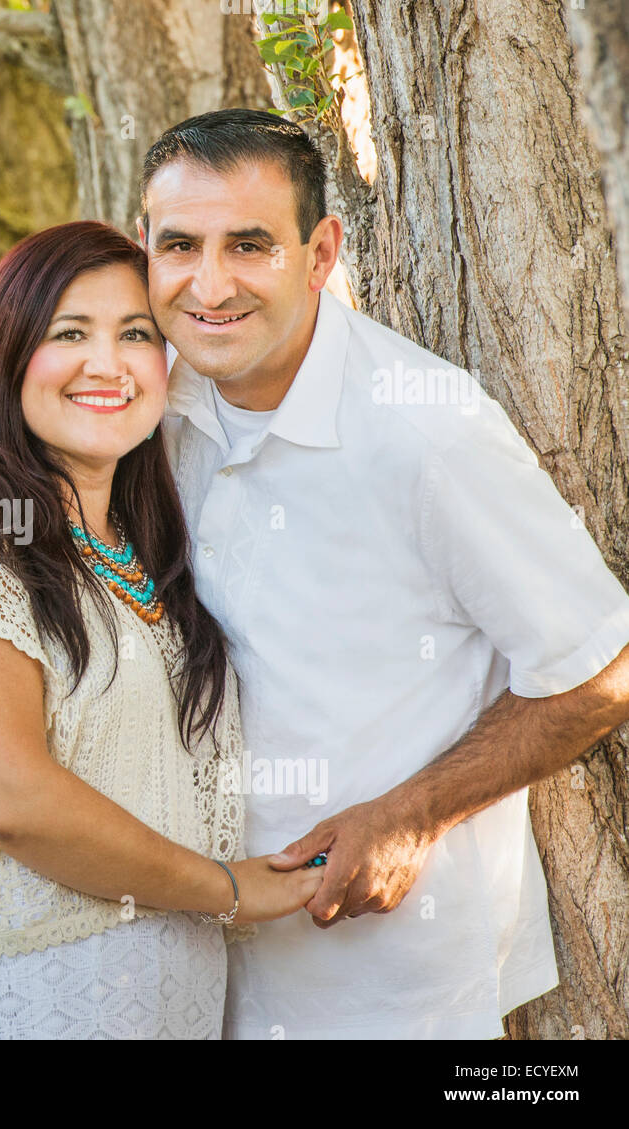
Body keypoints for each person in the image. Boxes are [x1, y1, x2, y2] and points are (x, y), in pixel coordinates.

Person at [137, 107, 629, 1039]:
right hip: (193, 968)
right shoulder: (144, 400)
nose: (210, 284)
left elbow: (603, 663)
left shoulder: (425, 430)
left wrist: (411, 814)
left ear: (320, 253)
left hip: (388, 984)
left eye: (250, 245)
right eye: (180, 246)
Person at [0, 219, 324, 1039]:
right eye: (69, 333)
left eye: (136, 334)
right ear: (8, 356)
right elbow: (12, 797)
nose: (107, 362)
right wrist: (228, 888)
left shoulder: (141, 558)